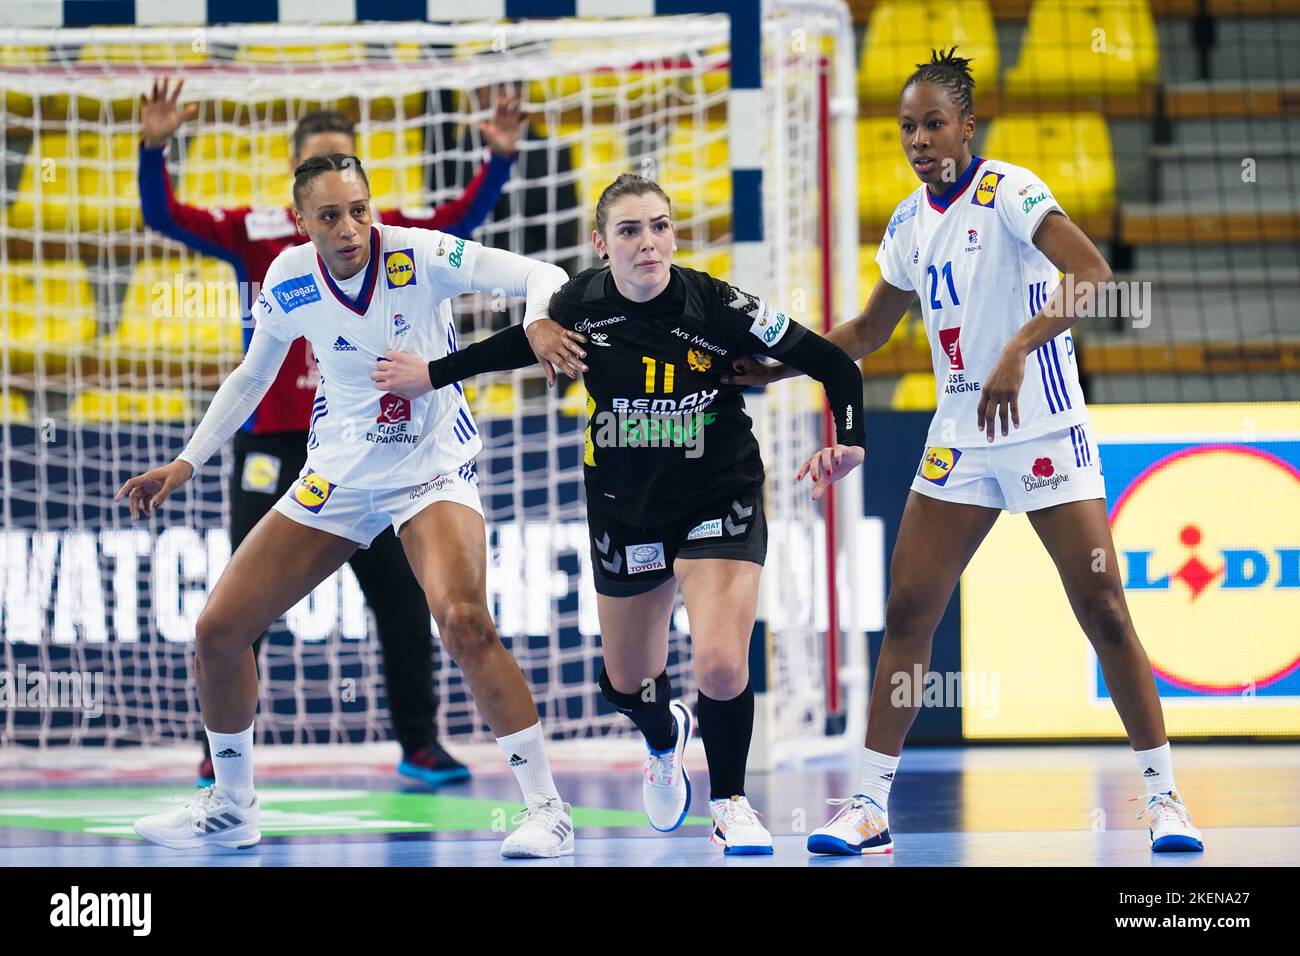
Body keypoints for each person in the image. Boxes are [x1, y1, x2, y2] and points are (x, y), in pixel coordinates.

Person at [726, 48, 1204, 855]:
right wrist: (778, 365)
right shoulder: (909, 223)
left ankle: (1164, 798)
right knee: (910, 610)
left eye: (933, 123)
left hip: (1044, 428)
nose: (918, 138)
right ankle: (871, 804)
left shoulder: (1009, 189)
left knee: (1104, 610)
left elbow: (1090, 274)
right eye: (907, 126)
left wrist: (1019, 347)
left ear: (966, 126)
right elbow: (872, 330)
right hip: (959, 437)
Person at [378, 174, 867, 855]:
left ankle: (731, 804)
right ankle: (663, 735)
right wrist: (429, 373)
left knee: (722, 664)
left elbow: (834, 362)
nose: (649, 243)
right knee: (625, 683)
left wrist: (849, 441)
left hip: (717, 491)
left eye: (661, 226)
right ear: (601, 243)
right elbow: (510, 349)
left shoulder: (720, 304)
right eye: (631, 231)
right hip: (625, 507)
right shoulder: (577, 307)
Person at [120, 153, 580, 859]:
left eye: (360, 209)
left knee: (462, 619)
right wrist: (187, 461)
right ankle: (233, 806)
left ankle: (547, 810)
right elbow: (252, 376)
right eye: (330, 215)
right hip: (336, 473)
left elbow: (540, 276)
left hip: (430, 468)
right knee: (217, 631)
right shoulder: (288, 278)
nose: (350, 227)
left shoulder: (420, 255)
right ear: (301, 222)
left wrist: (542, 322)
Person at [138, 77, 524, 787]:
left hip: (389, 448)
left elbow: (462, 227)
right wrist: (153, 149)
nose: (345, 223)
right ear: (298, 198)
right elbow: (164, 218)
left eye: (352, 192)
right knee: (237, 610)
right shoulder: (264, 243)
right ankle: (223, 765)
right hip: (276, 443)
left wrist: (497, 160)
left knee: (411, 603)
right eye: (323, 197)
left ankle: (421, 743)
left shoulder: (392, 238)